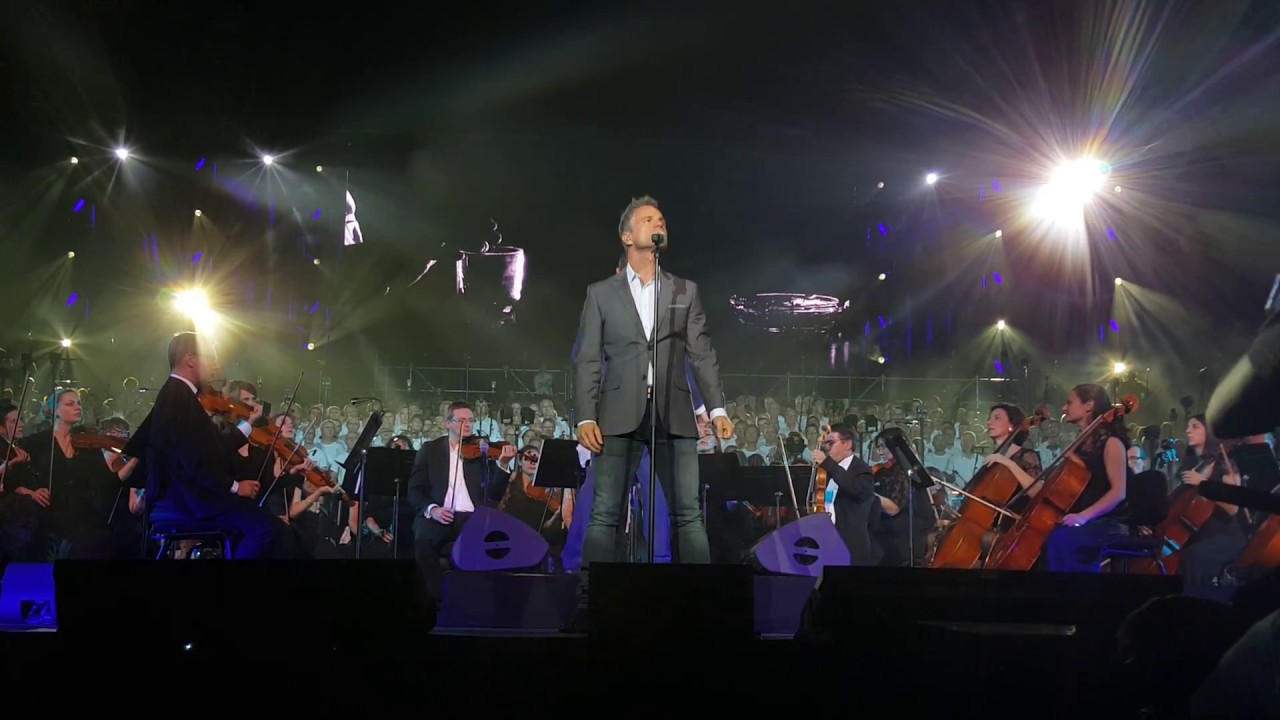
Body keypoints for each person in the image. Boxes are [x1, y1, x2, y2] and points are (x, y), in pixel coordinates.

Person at [574, 195, 733, 579]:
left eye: (661, 218)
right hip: (617, 413)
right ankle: (589, 597)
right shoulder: (601, 293)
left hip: (673, 411)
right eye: (647, 219)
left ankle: (700, 600)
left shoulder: (684, 291)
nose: (657, 222)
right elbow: (588, 358)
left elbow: (702, 353)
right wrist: (584, 416)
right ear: (628, 237)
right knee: (605, 513)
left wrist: (717, 408)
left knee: (688, 513)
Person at [122, 332, 283, 559]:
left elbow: (210, 447)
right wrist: (235, 487)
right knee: (266, 529)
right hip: (188, 501)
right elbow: (195, 462)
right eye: (211, 358)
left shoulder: (176, 395)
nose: (215, 366)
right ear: (190, 359)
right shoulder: (179, 398)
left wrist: (248, 424)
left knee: (262, 525)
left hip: (185, 497)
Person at [410, 401, 515, 604]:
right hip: (439, 514)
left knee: (485, 541)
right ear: (448, 423)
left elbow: (495, 493)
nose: (467, 424)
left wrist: (502, 464)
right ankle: (435, 598)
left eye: (471, 420)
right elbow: (414, 489)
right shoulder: (430, 450)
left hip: (471, 516)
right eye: (462, 420)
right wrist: (433, 510)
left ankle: (473, 599)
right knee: (422, 538)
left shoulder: (481, 450)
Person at [1043, 384, 1130, 572]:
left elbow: (1118, 493)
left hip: (1107, 522)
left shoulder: (1111, 443)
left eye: (1069, 402)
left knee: (1060, 540)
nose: (1064, 408)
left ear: (1089, 405)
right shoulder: (1082, 446)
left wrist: (1082, 517)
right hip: (1084, 518)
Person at [811, 423, 880, 565]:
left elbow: (856, 490)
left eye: (831, 443)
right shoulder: (827, 471)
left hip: (850, 544)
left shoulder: (861, 469)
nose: (827, 448)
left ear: (847, 444)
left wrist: (827, 463)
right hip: (827, 540)